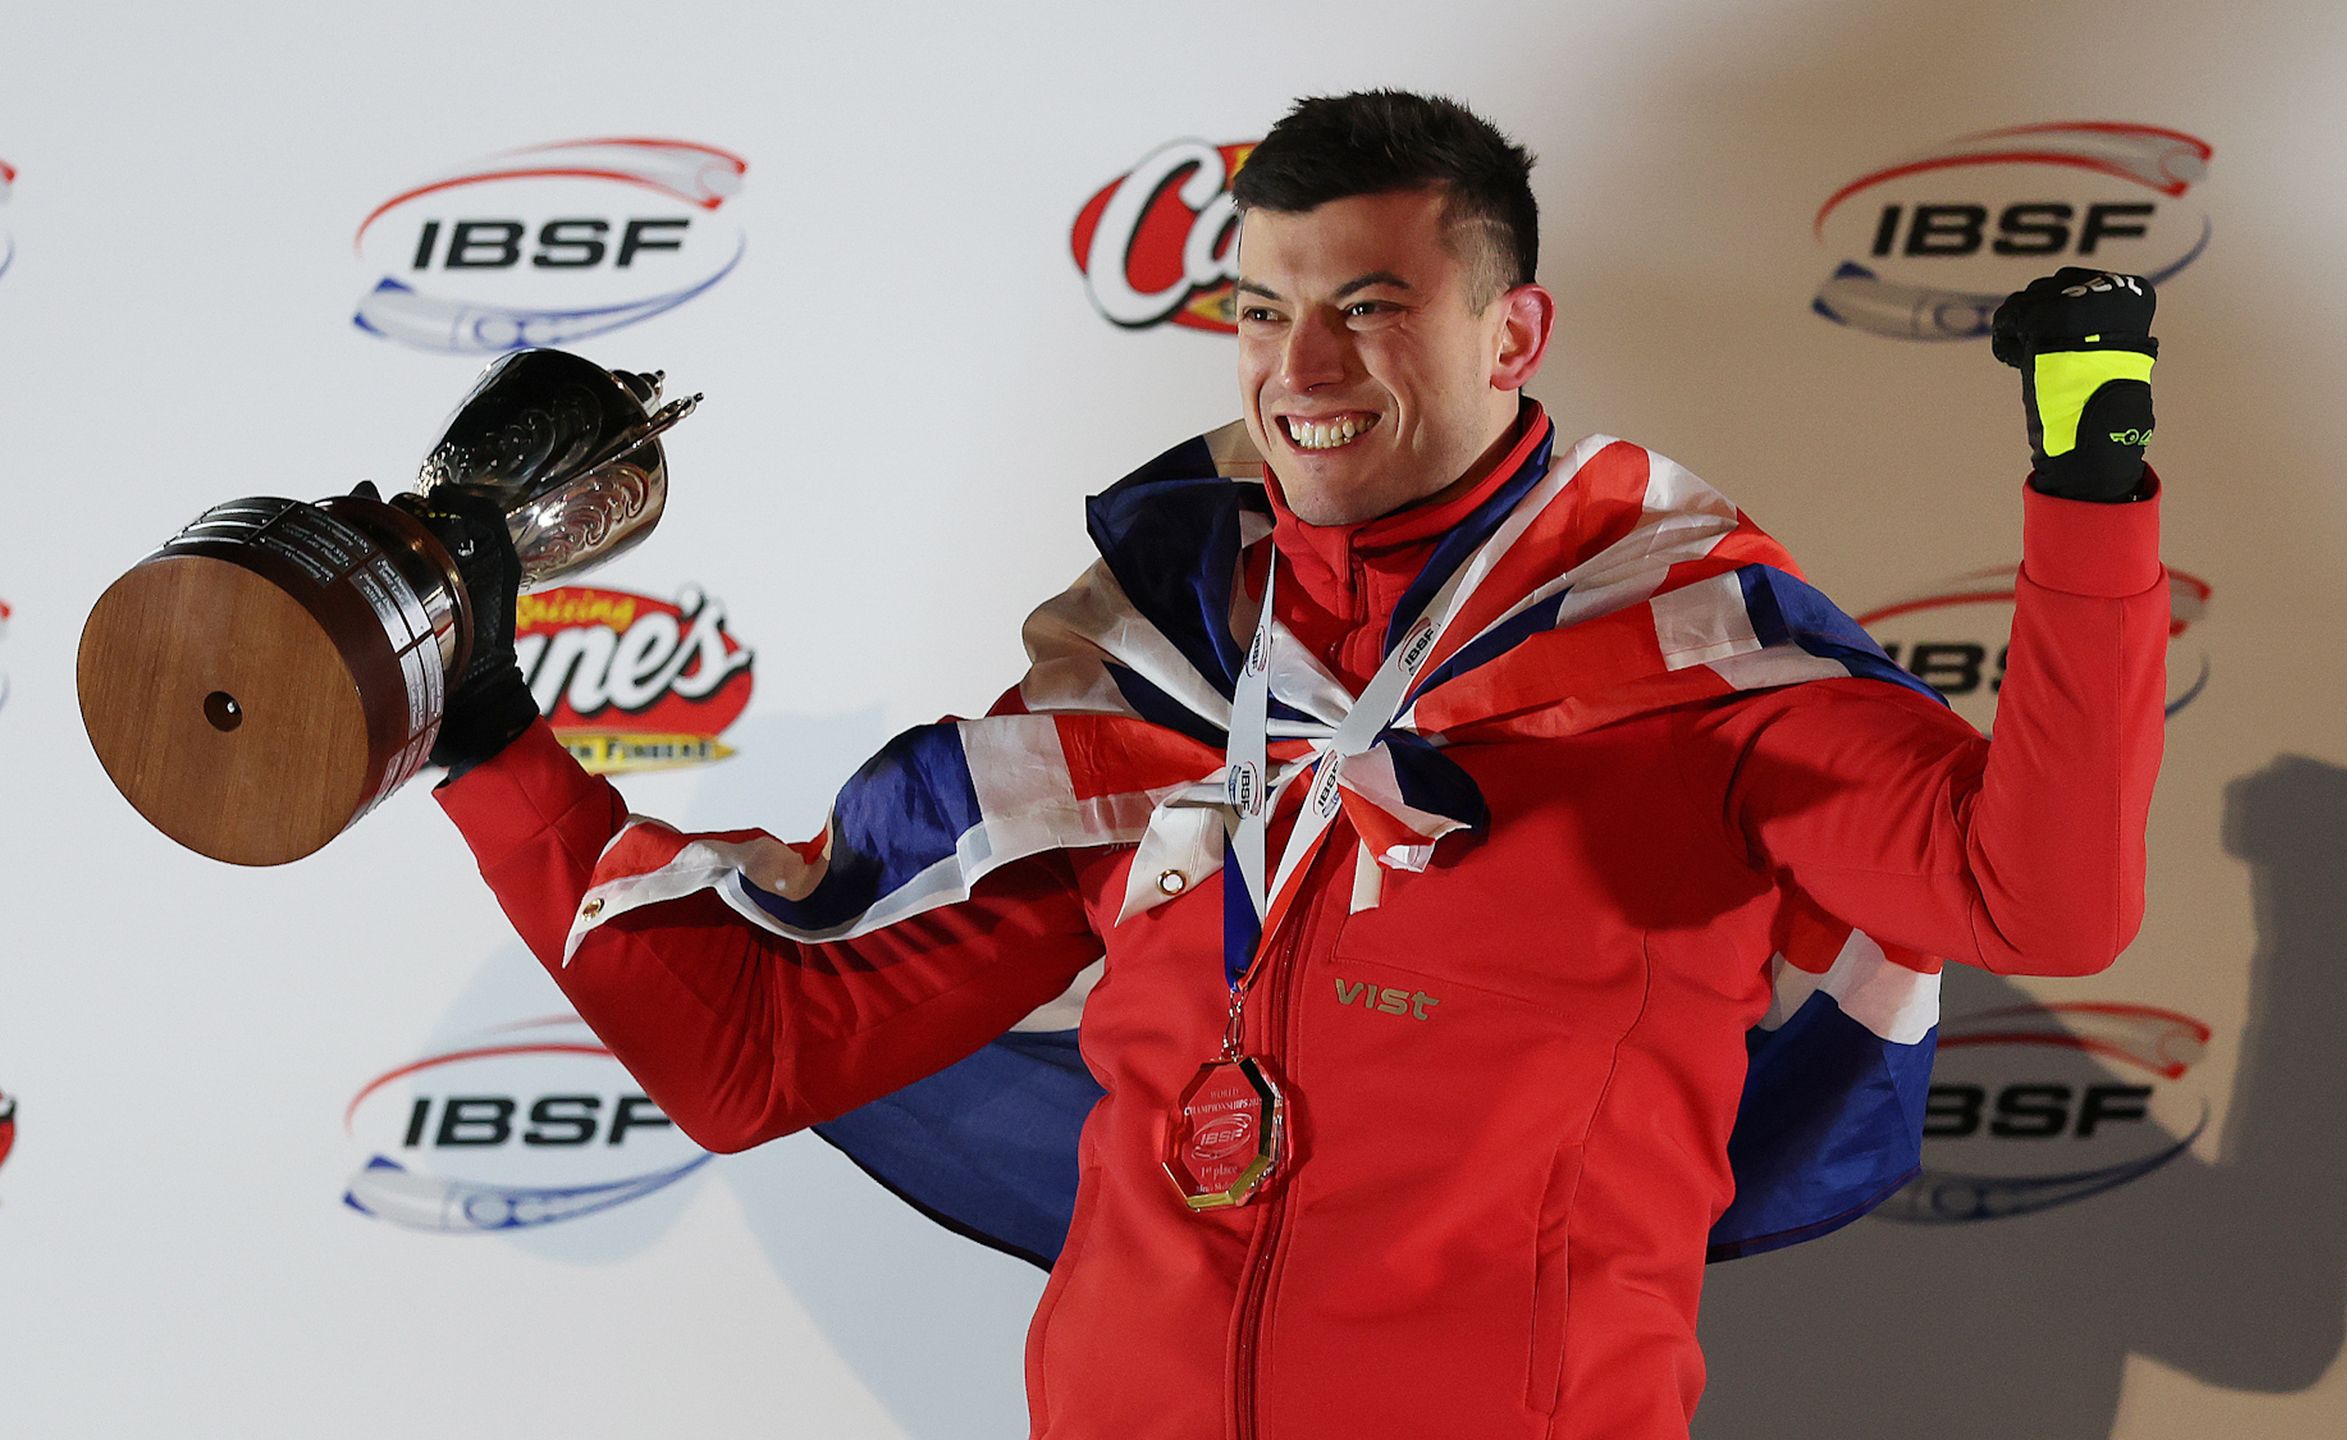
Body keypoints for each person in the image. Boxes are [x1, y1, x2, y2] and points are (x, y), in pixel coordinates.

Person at [419, 91, 2168, 1440]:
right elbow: (752, 1050)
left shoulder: (1695, 662)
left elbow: (2044, 899)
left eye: (1370, 307)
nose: (1301, 369)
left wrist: (2089, 497)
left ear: (1514, 336)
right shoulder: (1167, 663)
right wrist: (487, 733)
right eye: (1262, 311)